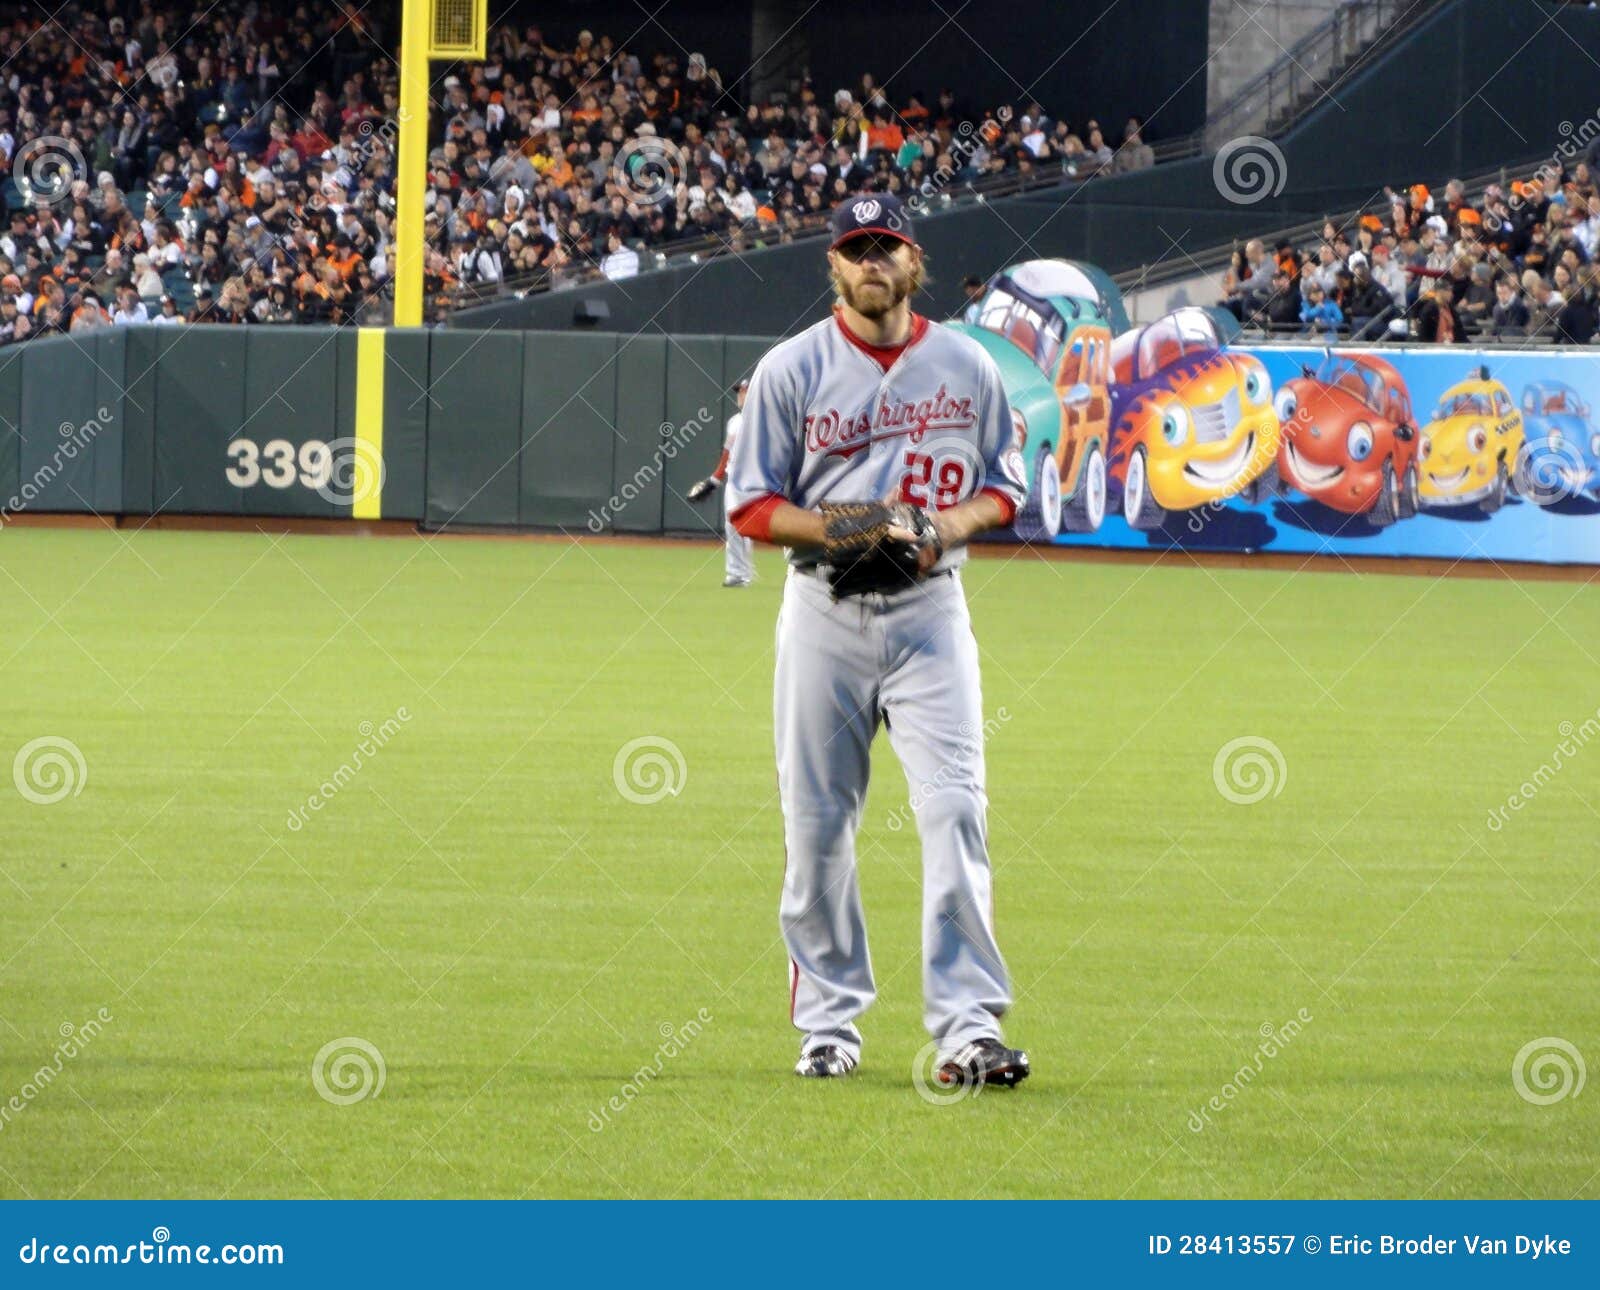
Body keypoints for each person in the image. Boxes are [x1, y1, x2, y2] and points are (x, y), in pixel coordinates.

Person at [725, 192, 1030, 1089]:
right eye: (855, 248)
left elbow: (1005, 489)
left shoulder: (967, 365)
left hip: (931, 610)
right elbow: (750, 505)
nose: (870, 262)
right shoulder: (792, 369)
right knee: (818, 827)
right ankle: (828, 1025)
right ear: (834, 264)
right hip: (824, 612)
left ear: (912, 258)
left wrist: (935, 530)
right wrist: (843, 533)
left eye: (884, 246)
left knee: (956, 811)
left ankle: (969, 1028)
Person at [686, 379, 757, 587]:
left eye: (744, 392)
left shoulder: (763, 420)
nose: (740, 396)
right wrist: (715, 479)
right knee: (732, 525)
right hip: (734, 479)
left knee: (748, 525)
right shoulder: (734, 421)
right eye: (739, 392)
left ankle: (744, 573)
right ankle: (737, 573)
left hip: (756, 480)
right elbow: (727, 453)